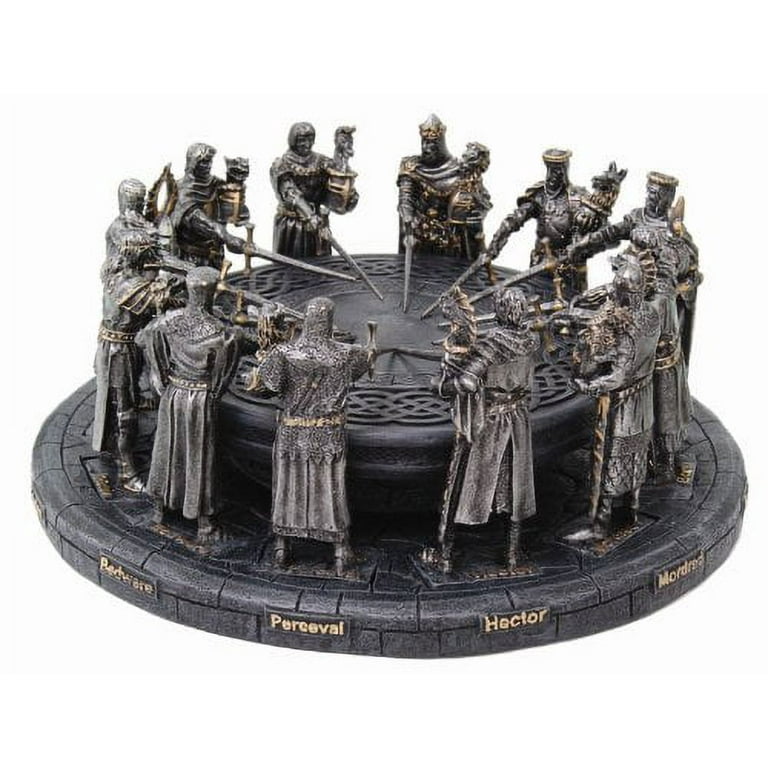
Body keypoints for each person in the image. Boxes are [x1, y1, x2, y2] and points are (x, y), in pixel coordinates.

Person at [257, 297, 369, 575]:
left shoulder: (283, 353)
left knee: (288, 487)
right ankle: (340, 551)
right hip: (328, 432)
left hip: (293, 430)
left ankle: (282, 548)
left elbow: (269, 385)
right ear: (330, 322)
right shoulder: (348, 354)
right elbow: (364, 363)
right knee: (329, 488)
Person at [436, 287, 540, 572]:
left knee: (465, 483)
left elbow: (467, 382)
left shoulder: (491, 345)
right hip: (519, 419)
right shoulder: (531, 340)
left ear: (499, 311)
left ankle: (446, 553)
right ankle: (512, 554)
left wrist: (443, 383)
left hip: (490, 421)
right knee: (517, 485)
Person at [138, 267, 242, 542]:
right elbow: (222, 377)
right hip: (200, 401)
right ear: (212, 294)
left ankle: (160, 507)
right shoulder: (222, 334)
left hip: (173, 395)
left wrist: (161, 380)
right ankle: (204, 523)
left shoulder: (168, 322)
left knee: (167, 450)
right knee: (199, 457)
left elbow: (147, 342)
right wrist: (210, 395)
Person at [569, 254, 660, 541]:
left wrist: (588, 385)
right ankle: (632, 510)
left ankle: (600, 525)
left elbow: (618, 377)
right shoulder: (651, 314)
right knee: (636, 456)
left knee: (609, 459)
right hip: (645, 397)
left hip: (623, 405)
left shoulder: (627, 331)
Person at [93, 230, 172, 492]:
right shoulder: (128, 285)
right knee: (125, 411)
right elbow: (156, 302)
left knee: (129, 401)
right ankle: (127, 468)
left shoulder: (116, 271)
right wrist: (170, 281)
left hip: (122, 345)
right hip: (119, 351)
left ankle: (120, 449)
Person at [486, 151, 626, 294]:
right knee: (533, 301)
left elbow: (610, 238)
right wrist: (493, 249)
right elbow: (513, 221)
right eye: (551, 170)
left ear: (566, 170)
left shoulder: (579, 200)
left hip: (569, 271)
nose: (554, 175)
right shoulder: (539, 195)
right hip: (540, 265)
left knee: (570, 303)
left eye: (559, 170)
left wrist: (585, 247)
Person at [397, 115, 490, 260]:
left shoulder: (461, 170)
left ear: (441, 143)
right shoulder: (411, 166)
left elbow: (480, 200)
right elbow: (405, 198)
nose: (426, 148)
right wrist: (408, 220)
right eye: (424, 143)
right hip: (418, 236)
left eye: (432, 144)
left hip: (452, 239)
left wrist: (475, 214)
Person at [270, 122, 358, 259]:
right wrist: (310, 216)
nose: (307, 144)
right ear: (293, 140)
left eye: (310, 139)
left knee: (322, 264)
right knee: (293, 265)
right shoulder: (282, 165)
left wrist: (341, 153)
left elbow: (334, 186)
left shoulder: (321, 162)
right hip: (293, 225)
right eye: (302, 140)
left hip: (319, 223)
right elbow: (291, 193)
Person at [171, 142, 249, 268]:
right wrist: (225, 235)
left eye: (209, 161)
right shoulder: (182, 189)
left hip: (216, 255)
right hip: (191, 257)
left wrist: (236, 184)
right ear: (192, 162)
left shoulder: (216, 184)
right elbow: (194, 216)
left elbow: (236, 214)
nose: (207, 166)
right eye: (203, 162)